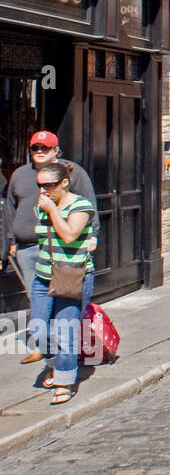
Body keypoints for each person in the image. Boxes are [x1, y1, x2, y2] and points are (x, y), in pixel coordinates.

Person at [5, 132, 100, 355]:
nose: (39, 151)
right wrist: (11, 240)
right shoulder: (20, 174)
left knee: (63, 302)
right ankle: (44, 347)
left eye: (45, 148)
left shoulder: (71, 173)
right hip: (27, 248)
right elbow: (10, 208)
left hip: (63, 249)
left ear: (56, 150)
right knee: (36, 299)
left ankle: (60, 354)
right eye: (35, 147)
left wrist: (93, 234)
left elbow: (88, 205)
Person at [27, 162, 96, 405]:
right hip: (43, 276)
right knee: (38, 329)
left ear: (64, 183)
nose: (44, 190)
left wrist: (53, 211)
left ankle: (64, 383)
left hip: (73, 276)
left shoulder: (81, 204)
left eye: (49, 185)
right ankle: (56, 364)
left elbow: (69, 235)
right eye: (40, 186)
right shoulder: (42, 206)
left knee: (66, 332)